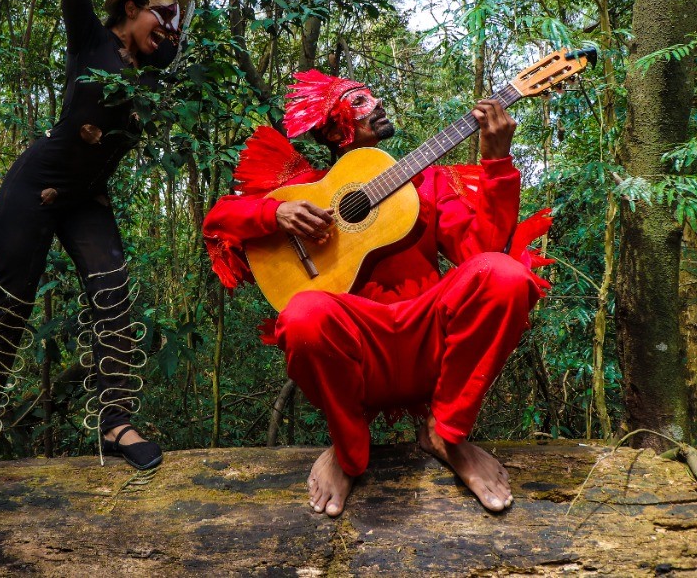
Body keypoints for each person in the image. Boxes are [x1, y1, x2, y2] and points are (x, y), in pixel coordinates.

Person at [202, 70, 551, 516]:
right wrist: (275, 212)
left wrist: (498, 163)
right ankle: (349, 451)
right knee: (303, 314)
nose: (378, 103)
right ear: (333, 125)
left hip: (430, 339)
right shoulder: (304, 189)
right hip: (357, 352)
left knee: (505, 276)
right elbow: (219, 218)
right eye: (361, 101)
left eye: (373, 96)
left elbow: (482, 253)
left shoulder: (429, 182)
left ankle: (447, 432)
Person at [0, 0, 188, 497]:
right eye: (162, 13)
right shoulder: (91, 40)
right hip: (35, 188)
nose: (172, 28)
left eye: (178, 20)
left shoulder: (151, 80)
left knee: (113, 293)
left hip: (87, 201)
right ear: (129, 8)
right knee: (11, 302)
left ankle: (116, 425)